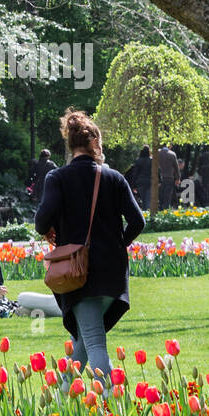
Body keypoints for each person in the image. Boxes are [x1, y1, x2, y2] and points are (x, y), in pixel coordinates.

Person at [35, 109, 145, 388]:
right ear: (96, 143)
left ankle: (112, 402)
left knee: (94, 341)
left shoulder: (57, 178)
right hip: (112, 271)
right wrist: (117, 245)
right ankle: (62, 397)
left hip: (78, 270)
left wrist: (54, 230)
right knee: (85, 338)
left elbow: (40, 222)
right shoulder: (114, 178)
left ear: (70, 144)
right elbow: (137, 222)